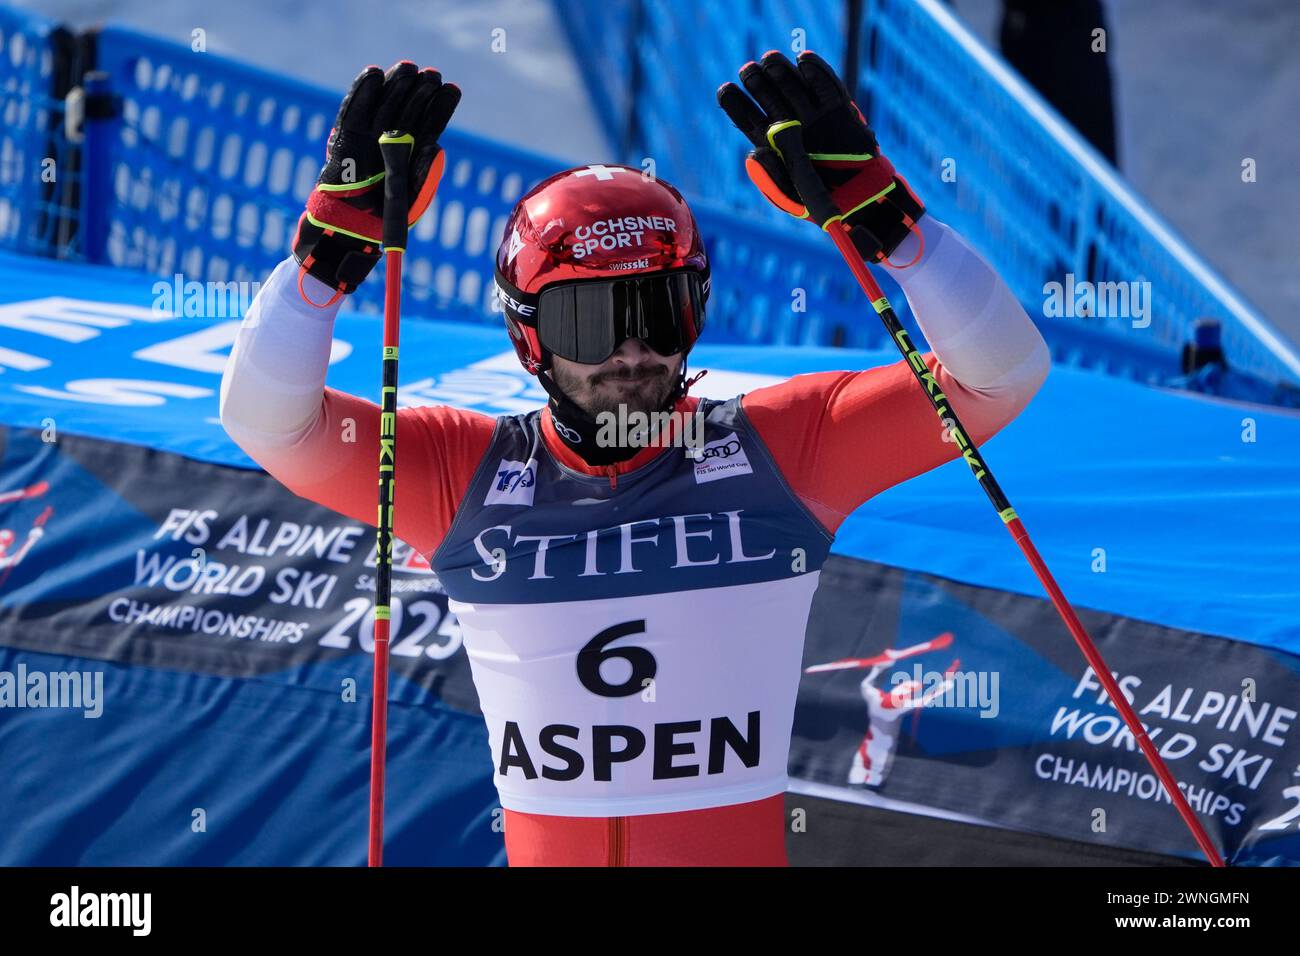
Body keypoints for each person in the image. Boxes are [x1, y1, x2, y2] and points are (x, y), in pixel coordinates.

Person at [220, 53, 1050, 866]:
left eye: (661, 309)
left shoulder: (786, 450)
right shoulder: (457, 472)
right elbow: (269, 423)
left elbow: (1003, 374)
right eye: (589, 320)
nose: (631, 352)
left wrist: (891, 223)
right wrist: (322, 262)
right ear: (528, 337)